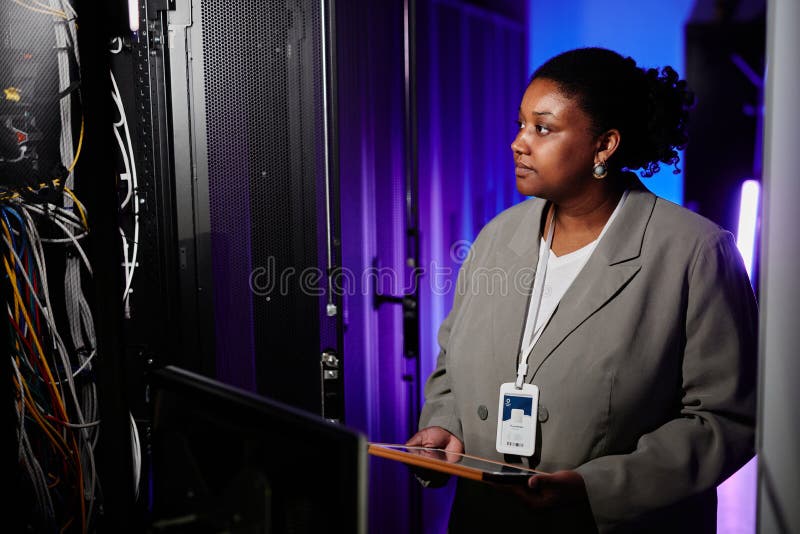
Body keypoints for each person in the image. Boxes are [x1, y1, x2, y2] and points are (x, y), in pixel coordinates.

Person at [407, 47, 758, 533]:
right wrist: (445, 425)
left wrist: (597, 489)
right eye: (521, 124)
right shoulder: (495, 237)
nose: (518, 143)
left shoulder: (695, 253)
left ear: (605, 145)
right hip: (486, 518)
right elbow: (451, 364)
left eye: (542, 128)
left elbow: (725, 421)